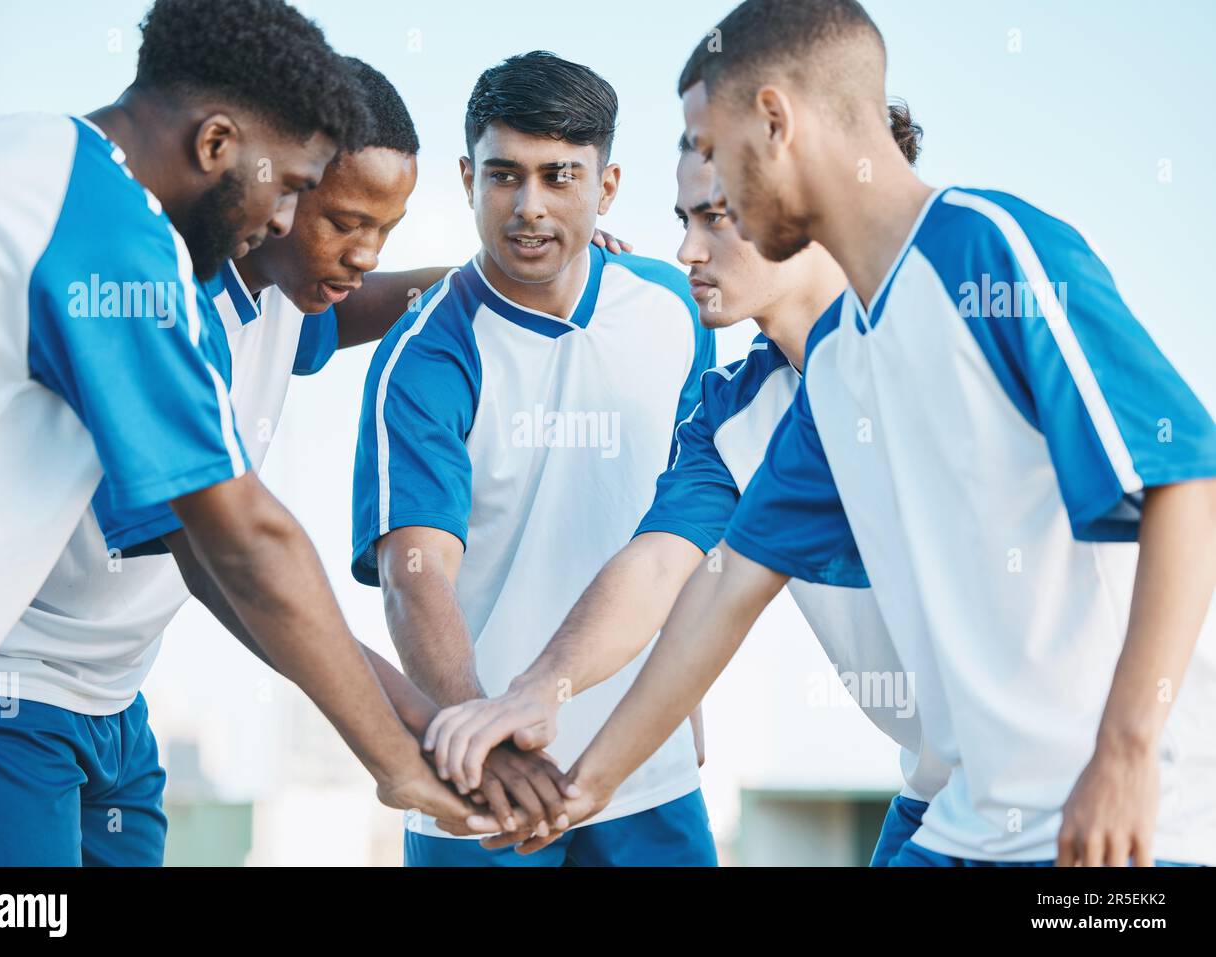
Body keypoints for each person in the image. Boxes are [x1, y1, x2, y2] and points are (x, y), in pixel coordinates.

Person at [481, 0, 1216, 867]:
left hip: (1126, 819)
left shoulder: (988, 250)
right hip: (964, 817)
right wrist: (584, 786)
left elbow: (1186, 482)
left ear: (776, 122)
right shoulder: (835, 369)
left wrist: (1127, 753)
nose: (702, 214)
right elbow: (721, 591)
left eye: (714, 157)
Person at [0, 3, 489, 866]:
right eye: (296, 188)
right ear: (217, 145)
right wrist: (396, 760)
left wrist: (493, 278)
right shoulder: (105, 232)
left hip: (98, 696)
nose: (290, 217)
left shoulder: (32, 168)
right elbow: (238, 538)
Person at [424, 102, 946, 867]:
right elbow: (664, 566)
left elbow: (1174, 495)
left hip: (1106, 788)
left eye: (715, 219)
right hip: (941, 793)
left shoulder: (952, 332)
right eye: (683, 218)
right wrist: (542, 695)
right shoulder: (735, 411)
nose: (685, 250)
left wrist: (1128, 744)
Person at [352, 51, 718, 866]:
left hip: (643, 769)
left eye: (560, 176)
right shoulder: (424, 355)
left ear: (608, 186)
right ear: (467, 177)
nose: (529, 206)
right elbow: (416, 578)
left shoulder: (674, 308)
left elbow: (687, 517)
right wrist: (488, 738)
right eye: (503, 175)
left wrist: (683, 690)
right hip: (485, 791)